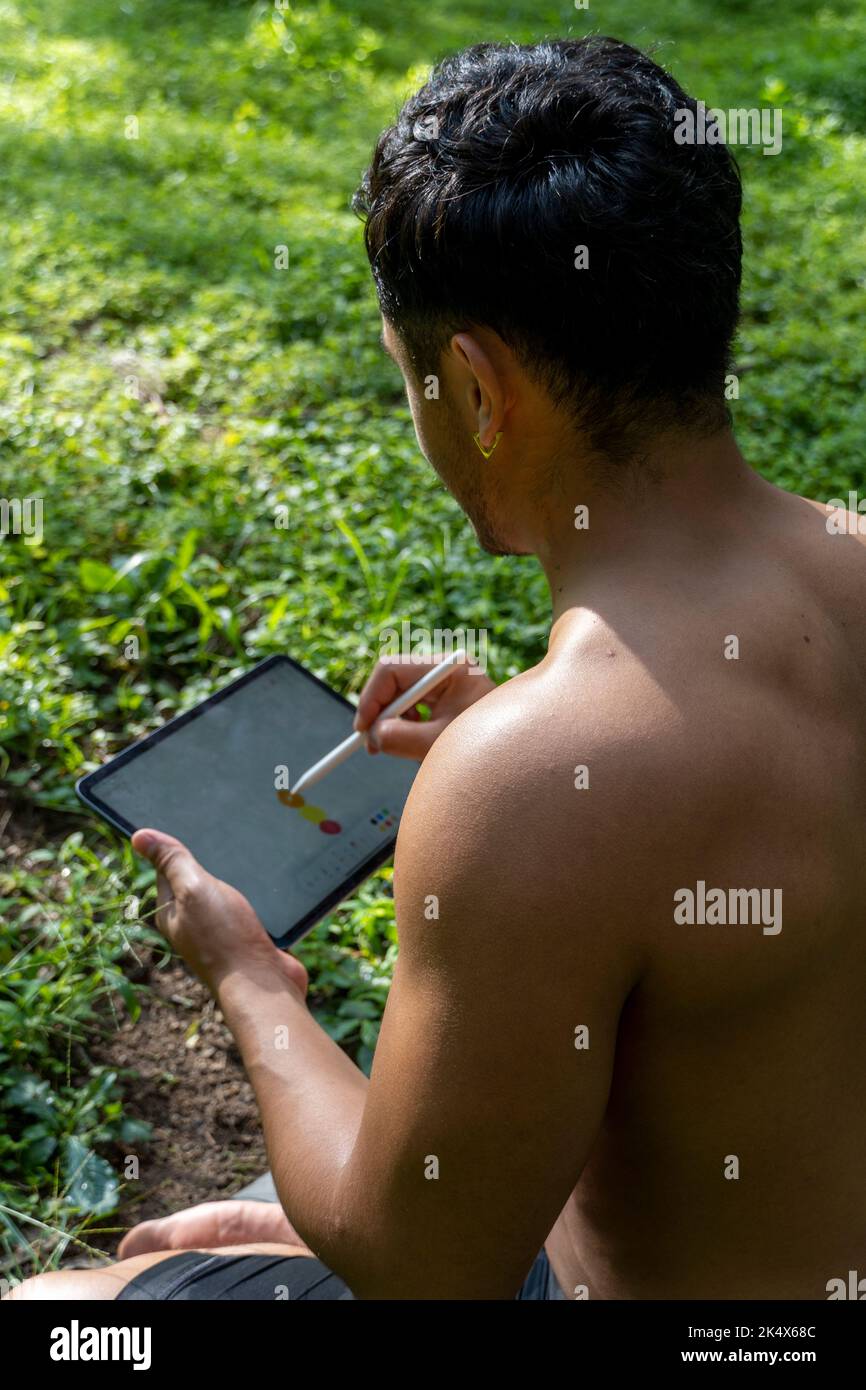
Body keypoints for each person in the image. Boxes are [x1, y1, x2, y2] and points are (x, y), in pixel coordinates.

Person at [8, 35, 865, 1302]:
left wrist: (255, 985)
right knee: (213, 1238)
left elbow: (422, 1270)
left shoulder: (530, 782)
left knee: (61, 1315)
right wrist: (539, 732)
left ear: (472, 388)